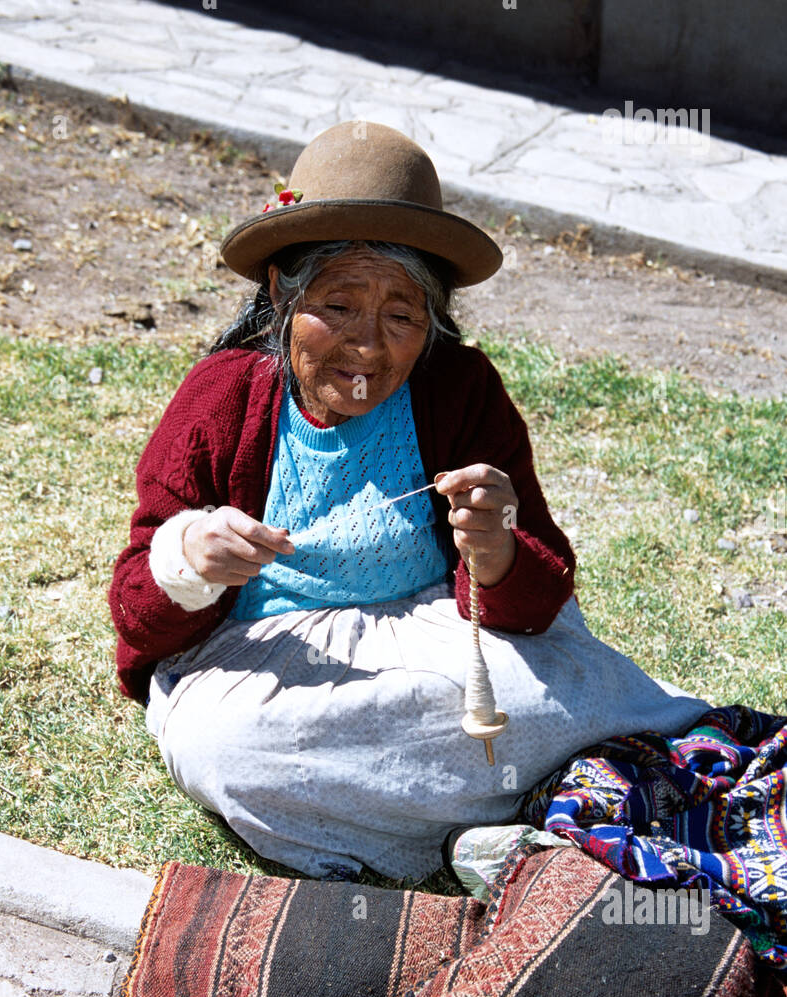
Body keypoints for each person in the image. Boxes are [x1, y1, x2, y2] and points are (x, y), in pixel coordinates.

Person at [109, 121, 711, 883]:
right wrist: (187, 558)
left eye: (401, 315)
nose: (367, 348)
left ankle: (474, 832)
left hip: (442, 637)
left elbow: (539, 593)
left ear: (432, 320)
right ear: (279, 295)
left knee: (556, 696)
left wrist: (493, 552)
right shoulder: (221, 397)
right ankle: (512, 815)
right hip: (266, 661)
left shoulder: (458, 388)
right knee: (229, 753)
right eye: (338, 305)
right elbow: (136, 613)